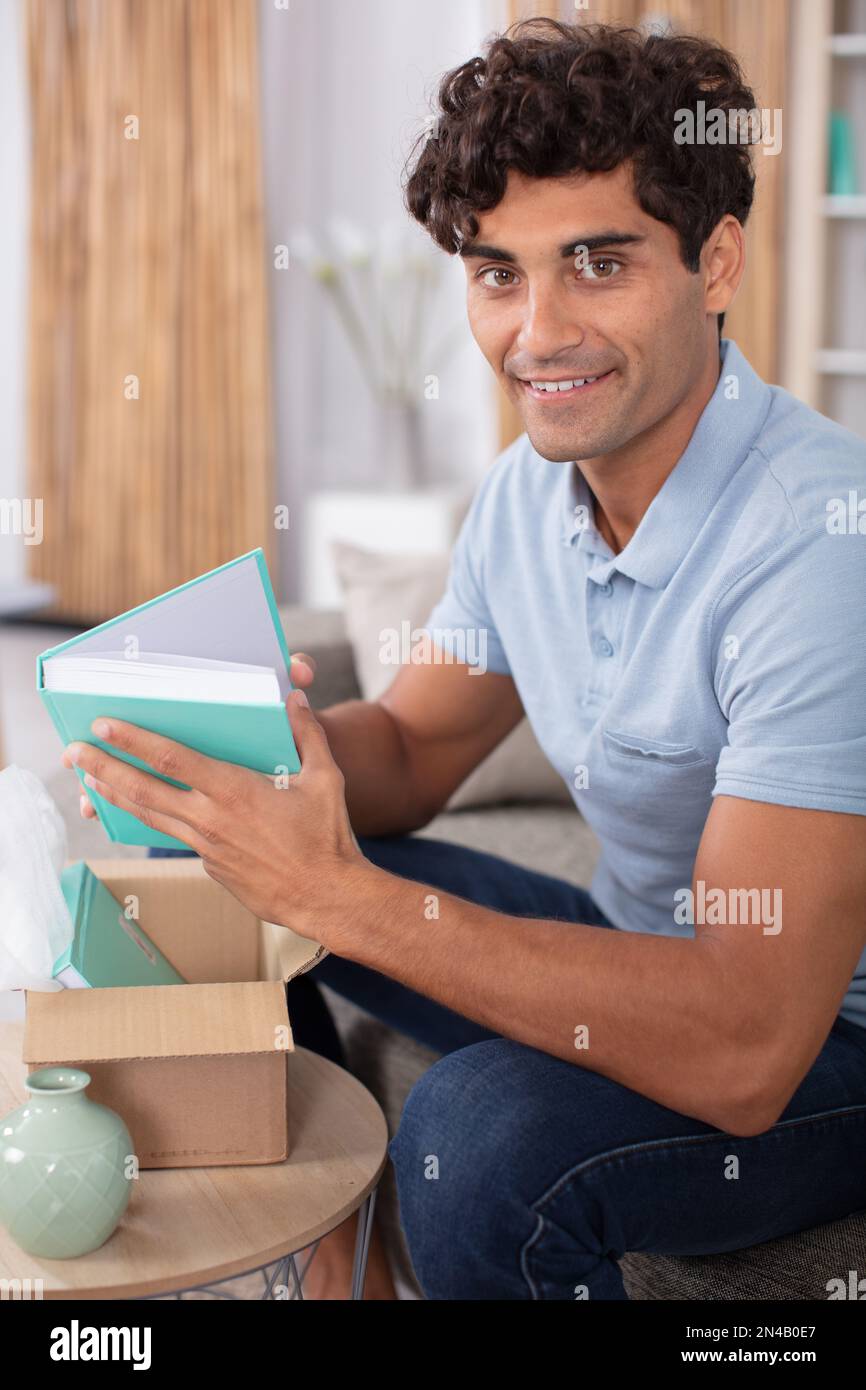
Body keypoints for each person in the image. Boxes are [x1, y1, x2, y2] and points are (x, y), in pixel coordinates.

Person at [62, 19, 866, 1300]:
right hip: (635, 941)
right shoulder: (523, 500)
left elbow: (748, 1038)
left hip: (821, 1036)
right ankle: (341, 1259)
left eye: (595, 264)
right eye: (498, 274)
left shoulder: (818, 546)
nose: (536, 333)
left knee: (481, 1136)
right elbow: (420, 747)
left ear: (714, 263)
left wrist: (338, 894)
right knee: (211, 847)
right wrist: (278, 755)